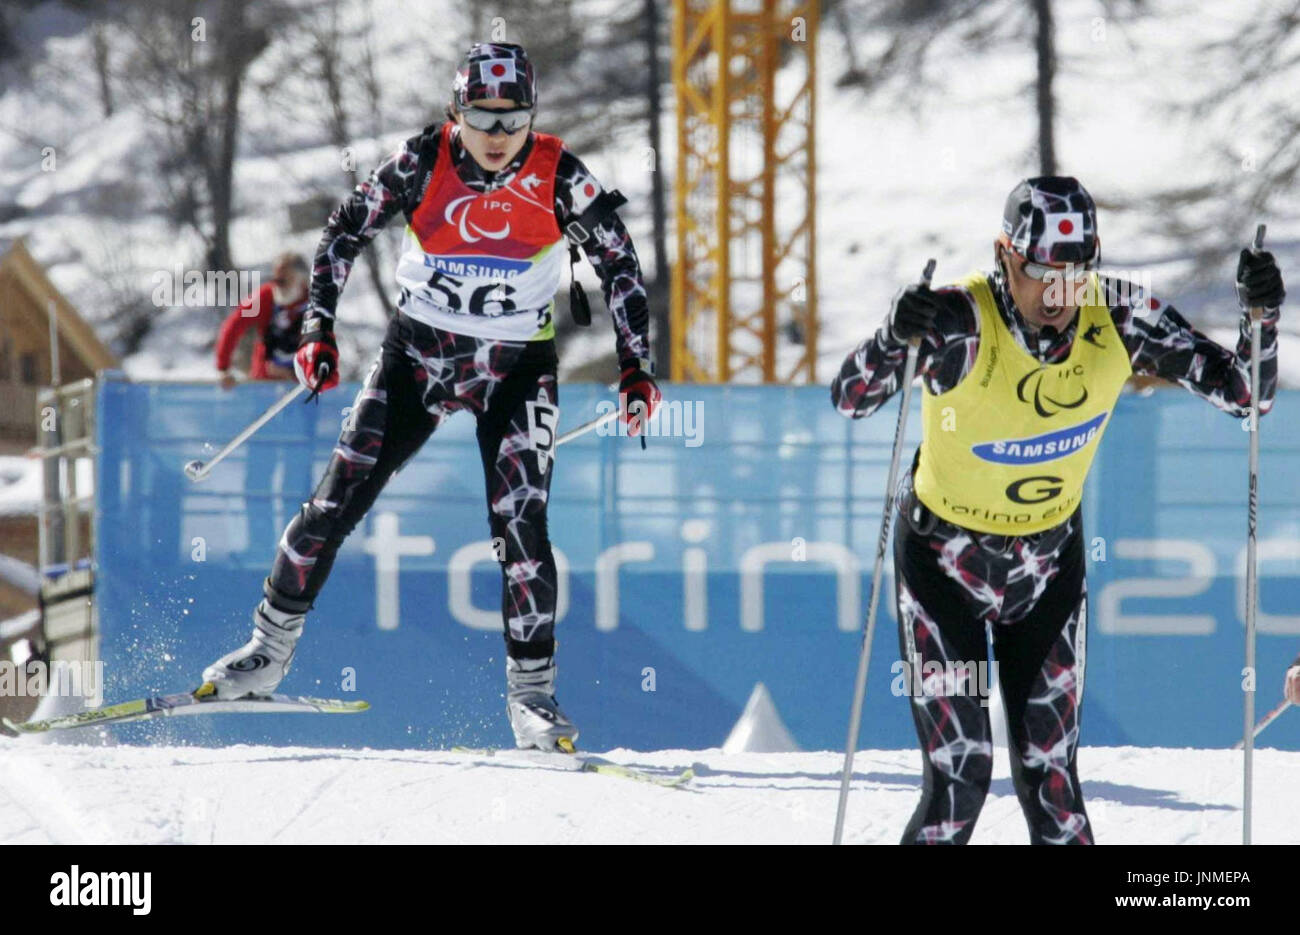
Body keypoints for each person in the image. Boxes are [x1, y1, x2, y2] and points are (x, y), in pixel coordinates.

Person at [200, 42, 660, 753]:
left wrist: (637, 369)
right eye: (483, 116)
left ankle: (533, 696)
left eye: (515, 119)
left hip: (516, 370)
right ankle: (267, 647)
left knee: (522, 526)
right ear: (456, 112)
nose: (500, 135)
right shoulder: (421, 162)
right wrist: (317, 330)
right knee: (335, 498)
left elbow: (621, 263)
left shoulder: (558, 173)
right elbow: (342, 230)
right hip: (418, 359)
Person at [831, 176, 1284, 844]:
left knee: (1053, 785)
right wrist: (893, 336)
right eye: (1043, 271)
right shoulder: (960, 320)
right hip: (944, 572)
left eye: (1077, 273)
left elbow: (1248, 395)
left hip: (1045, 574)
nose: (1060, 293)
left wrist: (1262, 320)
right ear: (1007, 255)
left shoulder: (1121, 316)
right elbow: (850, 397)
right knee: (962, 781)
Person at [214, 252, 310, 389]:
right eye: (276, 277)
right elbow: (232, 326)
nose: (278, 283)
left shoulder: (315, 303)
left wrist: (296, 375)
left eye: (284, 279)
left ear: (301, 279)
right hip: (264, 382)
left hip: (301, 386)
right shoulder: (264, 297)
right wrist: (223, 368)